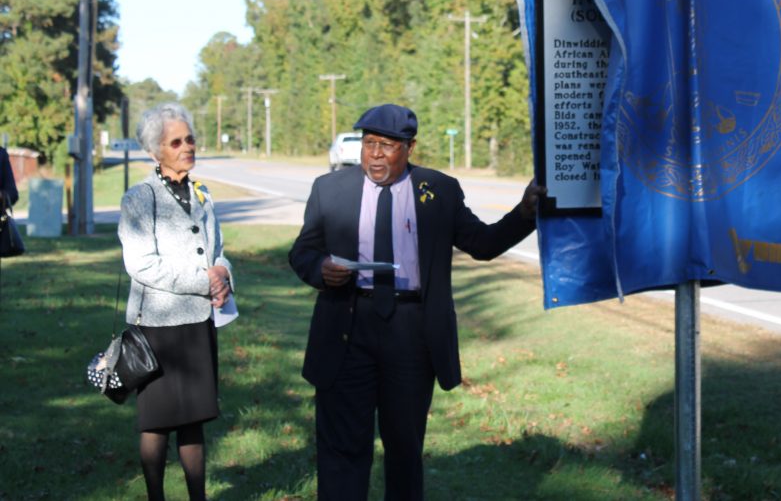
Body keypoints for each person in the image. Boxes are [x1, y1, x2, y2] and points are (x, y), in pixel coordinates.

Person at [289, 103, 545, 500]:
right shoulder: (330, 189)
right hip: (347, 326)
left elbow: (483, 244)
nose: (375, 153)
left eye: (387, 145)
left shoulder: (439, 190)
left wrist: (525, 212)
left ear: (409, 148)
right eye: (369, 143)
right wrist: (320, 268)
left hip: (411, 333)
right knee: (342, 447)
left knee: (405, 448)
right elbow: (302, 252)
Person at [118, 102, 233, 501]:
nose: (188, 146)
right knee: (156, 422)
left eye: (190, 139)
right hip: (158, 326)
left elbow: (217, 248)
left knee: (194, 420)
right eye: (177, 141)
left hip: (198, 324)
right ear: (156, 151)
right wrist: (204, 281)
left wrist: (223, 274)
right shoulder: (139, 197)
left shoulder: (202, 193)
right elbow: (141, 265)